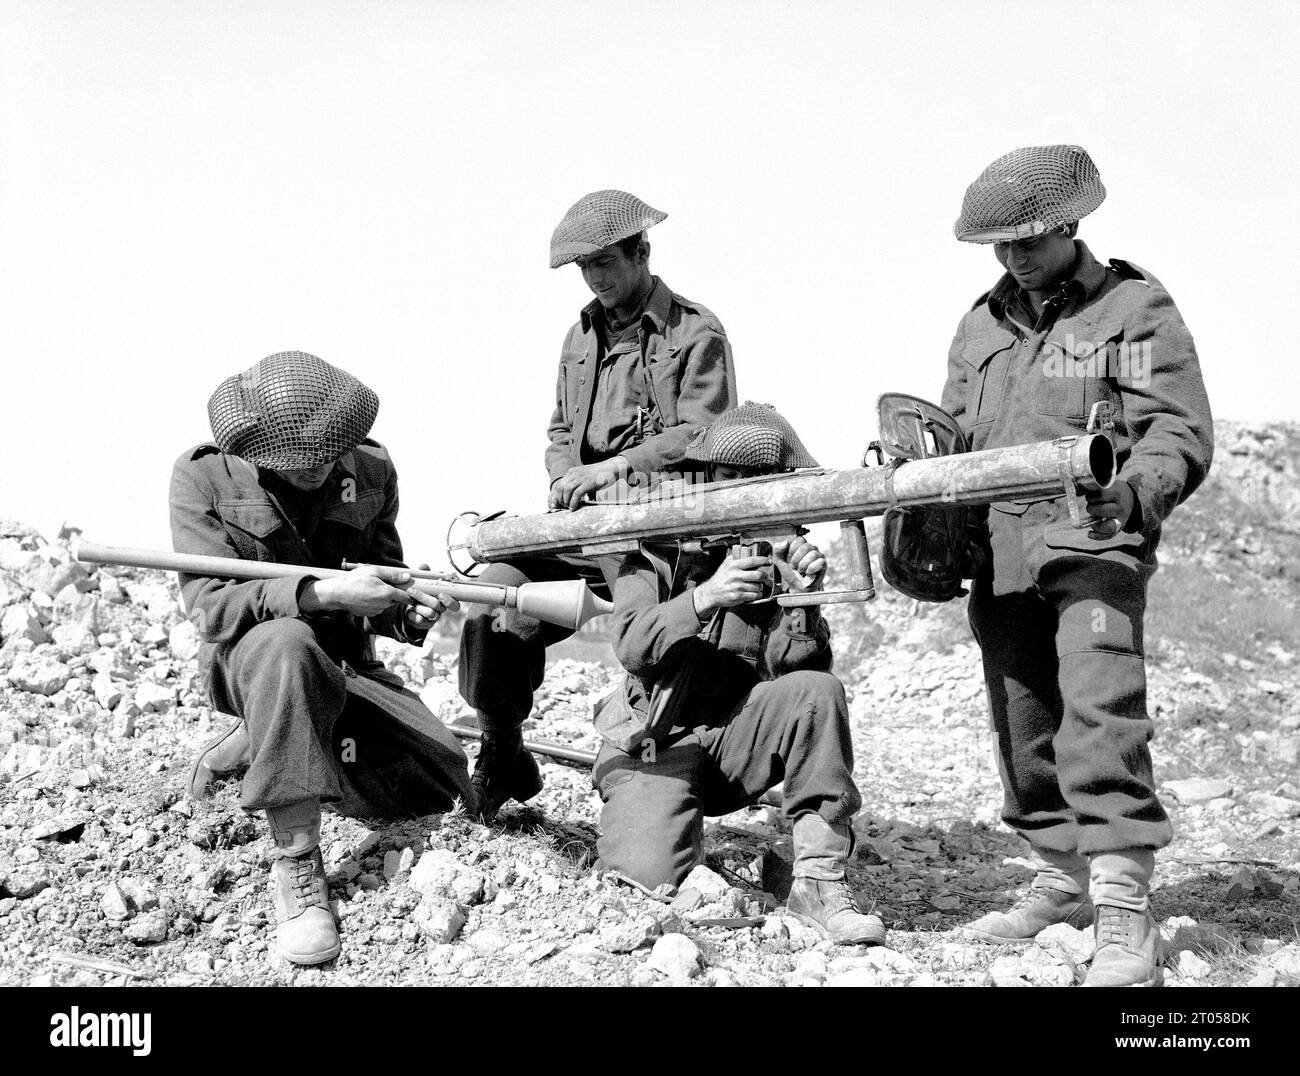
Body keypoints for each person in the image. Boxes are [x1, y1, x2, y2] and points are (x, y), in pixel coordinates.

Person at [939, 146, 1213, 986]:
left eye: (1028, 241)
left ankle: (1125, 905)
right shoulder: (981, 325)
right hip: (1002, 559)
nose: (1014, 258)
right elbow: (952, 440)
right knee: (1026, 732)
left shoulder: (1130, 309)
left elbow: (1177, 431)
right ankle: (1063, 885)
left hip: (1094, 548)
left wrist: (1132, 497)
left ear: (1070, 224)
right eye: (999, 245)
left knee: (1102, 718)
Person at [172, 351, 473, 966]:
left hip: (345, 667)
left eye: (325, 455)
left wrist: (403, 612)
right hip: (257, 660)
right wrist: (320, 593)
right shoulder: (203, 478)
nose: (314, 471)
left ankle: (271, 744)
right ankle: (297, 860)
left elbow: (385, 577)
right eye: (294, 465)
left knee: (436, 783)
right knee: (288, 644)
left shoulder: (372, 469)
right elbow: (209, 609)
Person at [459, 189, 737, 822]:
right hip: (582, 526)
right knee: (496, 605)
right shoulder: (580, 335)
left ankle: (653, 782)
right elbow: (560, 433)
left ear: (642, 252)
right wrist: (565, 476)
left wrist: (617, 467)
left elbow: (703, 433)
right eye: (583, 268)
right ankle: (502, 751)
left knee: (642, 640)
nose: (594, 279)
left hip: (659, 531)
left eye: (605, 262)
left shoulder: (696, 332)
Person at [592, 403, 886, 946]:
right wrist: (705, 597)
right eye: (730, 479)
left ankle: (818, 884)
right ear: (706, 476)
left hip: (730, 750)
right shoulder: (650, 542)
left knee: (817, 692)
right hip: (653, 746)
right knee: (646, 881)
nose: (743, 493)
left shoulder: (771, 560)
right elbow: (633, 646)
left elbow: (799, 690)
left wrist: (801, 601)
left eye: (759, 481)